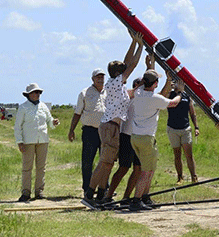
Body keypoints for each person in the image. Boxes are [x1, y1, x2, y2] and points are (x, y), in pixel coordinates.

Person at [84, 31, 143, 206]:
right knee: (104, 163)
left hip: (112, 127)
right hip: (110, 127)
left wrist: (133, 42)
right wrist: (139, 46)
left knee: (109, 163)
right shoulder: (116, 83)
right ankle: (90, 193)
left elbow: (126, 64)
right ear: (119, 74)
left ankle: (101, 195)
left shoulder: (116, 84)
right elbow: (131, 65)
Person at [128, 60, 181, 211]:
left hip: (135, 137)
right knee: (147, 171)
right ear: (156, 83)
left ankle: (145, 197)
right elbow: (173, 103)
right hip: (146, 138)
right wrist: (179, 93)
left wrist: (149, 65)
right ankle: (137, 200)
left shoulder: (138, 93)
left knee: (147, 168)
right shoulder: (154, 99)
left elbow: (148, 83)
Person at [14, 83, 60, 202]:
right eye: (34, 92)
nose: (37, 94)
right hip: (28, 141)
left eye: (38, 92)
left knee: (41, 167)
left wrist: (54, 122)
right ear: (28, 94)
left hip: (43, 140)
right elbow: (17, 126)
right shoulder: (23, 107)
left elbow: (49, 121)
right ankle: (25, 193)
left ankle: (39, 192)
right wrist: (20, 142)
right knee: (27, 168)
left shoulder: (43, 106)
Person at [68, 68, 107, 197]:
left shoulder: (108, 92)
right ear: (93, 79)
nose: (100, 79)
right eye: (98, 77)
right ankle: (87, 188)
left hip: (105, 130)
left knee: (105, 160)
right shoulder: (84, 93)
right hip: (90, 131)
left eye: (102, 77)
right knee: (87, 161)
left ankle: (104, 187)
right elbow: (77, 113)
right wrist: (71, 130)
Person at [161, 78, 200, 185]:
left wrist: (196, 127)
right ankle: (180, 177)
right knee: (177, 154)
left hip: (185, 128)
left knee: (189, 155)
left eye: (180, 82)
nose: (178, 84)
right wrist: (170, 86)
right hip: (172, 128)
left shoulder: (187, 96)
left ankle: (194, 176)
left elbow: (193, 113)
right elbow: (162, 98)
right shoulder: (170, 94)